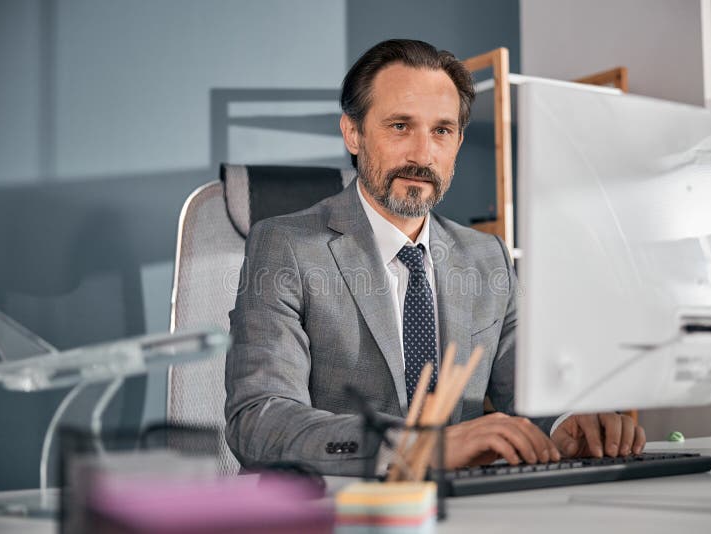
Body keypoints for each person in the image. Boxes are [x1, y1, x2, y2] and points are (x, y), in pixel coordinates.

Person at [224, 39, 645, 476]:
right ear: (353, 133)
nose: (423, 155)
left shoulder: (488, 258)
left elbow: (532, 394)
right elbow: (259, 420)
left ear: (458, 142)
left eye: (441, 131)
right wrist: (417, 447)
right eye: (400, 127)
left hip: (462, 511)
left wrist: (568, 423)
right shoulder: (285, 246)